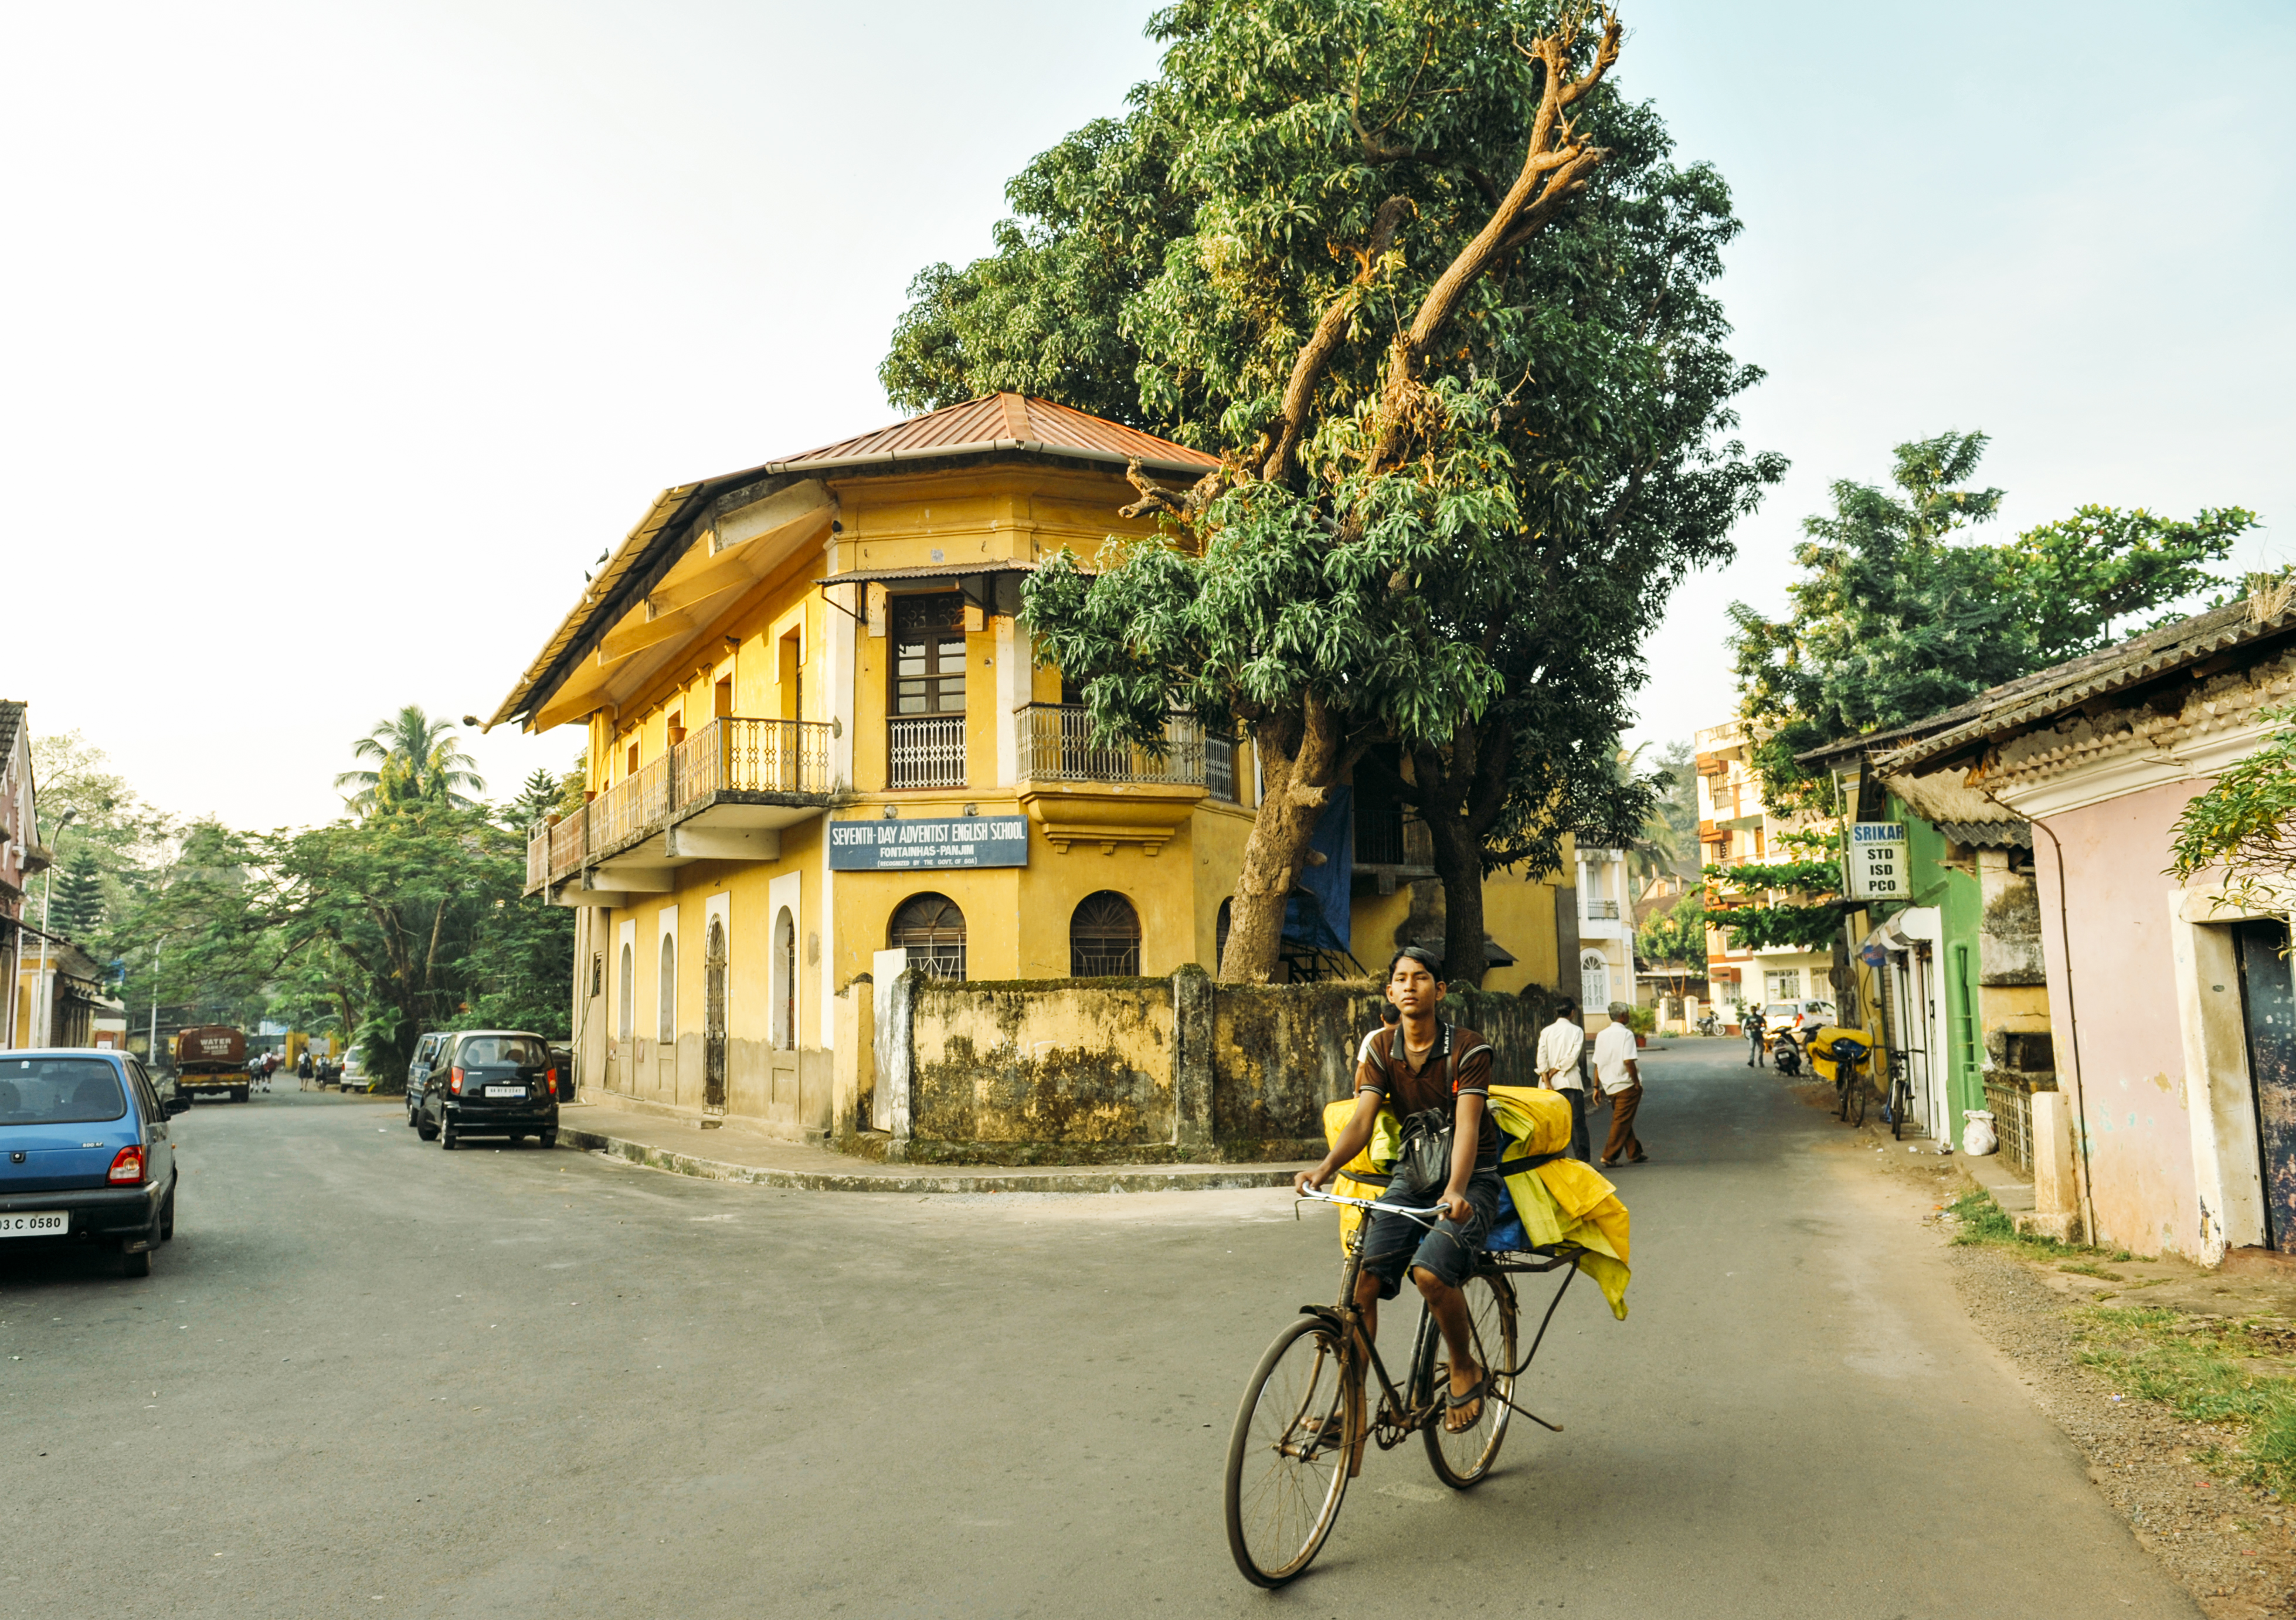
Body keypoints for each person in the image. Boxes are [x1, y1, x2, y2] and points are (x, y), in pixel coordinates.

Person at [1295, 946, 1502, 1435]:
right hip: (1413, 1173)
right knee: (1364, 1279)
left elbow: (1469, 1127)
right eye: (1401, 979)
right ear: (1390, 992)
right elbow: (1362, 1120)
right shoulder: (1381, 1048)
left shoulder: (1468, 1047)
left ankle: (1463, 1365)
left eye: (1422, 977)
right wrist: (1323, 1169)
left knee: (1430, 1275)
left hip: (1472, 1177)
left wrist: (1456, 1189)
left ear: (1440, 990)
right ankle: (1355, 1403)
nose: (1410, 985)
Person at [1536, 998, 1591, 1162]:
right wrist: (1555, 1071)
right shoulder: (1577, 1031)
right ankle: (1583, 1161)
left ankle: (1553, 1161)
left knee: (1551, 1124)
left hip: (1548, 1087)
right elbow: (1572, 1057)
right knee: (1576, 1123)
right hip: (1570, 1082)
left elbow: (1541, 1058)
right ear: (1572, 1012)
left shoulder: (1546, 1031)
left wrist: (1547, 1080)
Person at [1591, 1001, 1646, 1167]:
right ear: (1622, 1016)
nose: (1629, 1016)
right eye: (1628, 1013)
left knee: (1623, 1118)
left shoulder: (1601, 1035)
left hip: (1609, 1084)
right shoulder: (1627, 1035)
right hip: (1625, 1084)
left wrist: (1596, 1087)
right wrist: (1636, 1083)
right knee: (1621, 1121)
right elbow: (1628, 1061)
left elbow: (1597, 1064)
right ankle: (1608, 1156)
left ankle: (1634, 1152)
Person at [1745, 1002, 1768, 1068]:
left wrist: (1758, 1026)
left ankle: (1761, 1062)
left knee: (1761, 1050)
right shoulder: (1749, 1018)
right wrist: (1750, 1026)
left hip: (1759, 1036)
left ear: (1756, 1010)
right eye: (1752, 1010)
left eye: (1754, 1010)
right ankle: (1751, 1061)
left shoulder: (1760, 1018)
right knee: (1752, 1048)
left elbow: (1765, 1026)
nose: (1753, 1011)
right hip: (1752, 1036)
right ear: (1751, 1010)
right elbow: (1746, 1027)